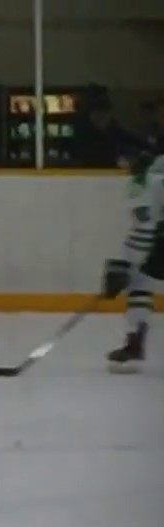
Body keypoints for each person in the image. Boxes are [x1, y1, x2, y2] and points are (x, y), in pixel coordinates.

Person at [101, 150, 163, 373]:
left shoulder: (147, 183)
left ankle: (136, 341)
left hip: (157, 245)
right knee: (140, 288)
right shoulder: (152, 176)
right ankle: (136, 341)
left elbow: (146, 226)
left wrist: (124, 264)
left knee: (138, 287)